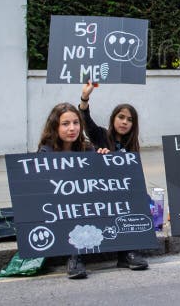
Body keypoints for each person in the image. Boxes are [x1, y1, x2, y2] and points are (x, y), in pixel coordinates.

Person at [77, 82, 149, 270]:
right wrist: (85, 97)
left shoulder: (132, 147)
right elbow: (85, 119)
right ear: (113, 119)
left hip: (121, 196)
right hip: (98, 193)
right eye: (121, 117)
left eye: (129, 119)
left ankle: (127, 254)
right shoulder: (100, 135)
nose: (124, 122)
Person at [37, 102, 110, 279]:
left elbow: (102, 184)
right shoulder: (45, 153)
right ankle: (75, 258)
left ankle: (128, 254)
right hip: (59, 210)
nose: (72, 128)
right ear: (55, 127)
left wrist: (104, 161)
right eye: (65, 124)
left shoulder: (88, 149)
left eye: (76, 123)